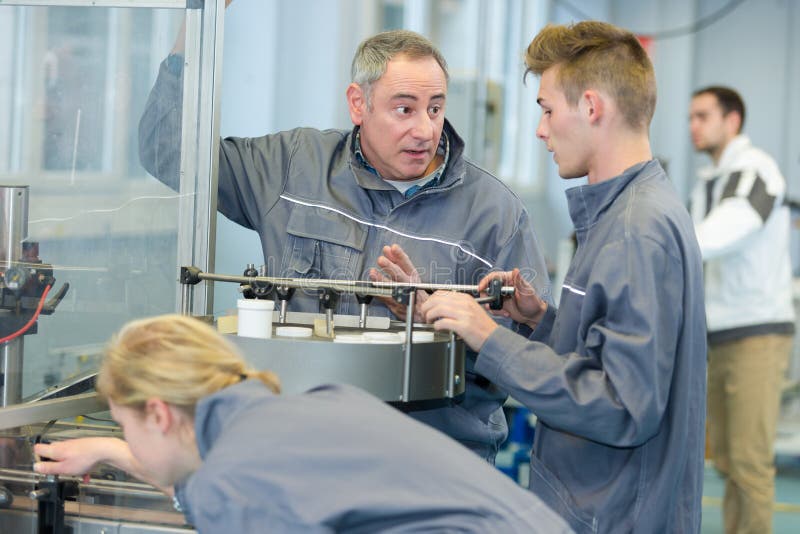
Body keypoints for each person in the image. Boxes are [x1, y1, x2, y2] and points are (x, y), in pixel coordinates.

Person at [138, 13, 551, 462]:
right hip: (301, 453)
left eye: (435, 108)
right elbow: (168, 150)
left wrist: (436, 326)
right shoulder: (293, 167)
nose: (425, 130)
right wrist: (192, 32)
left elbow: (528, 363)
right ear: (358, 103)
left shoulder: (495, 213)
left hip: (432, 469)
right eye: (404, 108)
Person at [419, 21, 707, 533]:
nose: (540, 130)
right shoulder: (623, 214)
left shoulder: (636, 229)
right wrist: (542, 322)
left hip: (614, 515)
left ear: (592, 107)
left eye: (548, 110)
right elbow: (610, 353)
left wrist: (490, 340)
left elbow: (622, 406)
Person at [32, 314, 572, 533]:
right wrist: (111, 449)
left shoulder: (238, 478)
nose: (129, 440)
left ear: (158, 412)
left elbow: (228, 488)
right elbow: (203, 473)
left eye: (127, 427)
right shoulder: (312, 406)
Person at [689, 85, 795, 533]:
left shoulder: (757, 170)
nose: (693, 125)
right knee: (729, 460)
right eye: (690, 117)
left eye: (702, 116)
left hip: (756, 332)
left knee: (749, 462)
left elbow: (728, 229)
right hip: (720, 332)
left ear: (732, 121)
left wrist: (666, 249)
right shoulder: (706, 183)